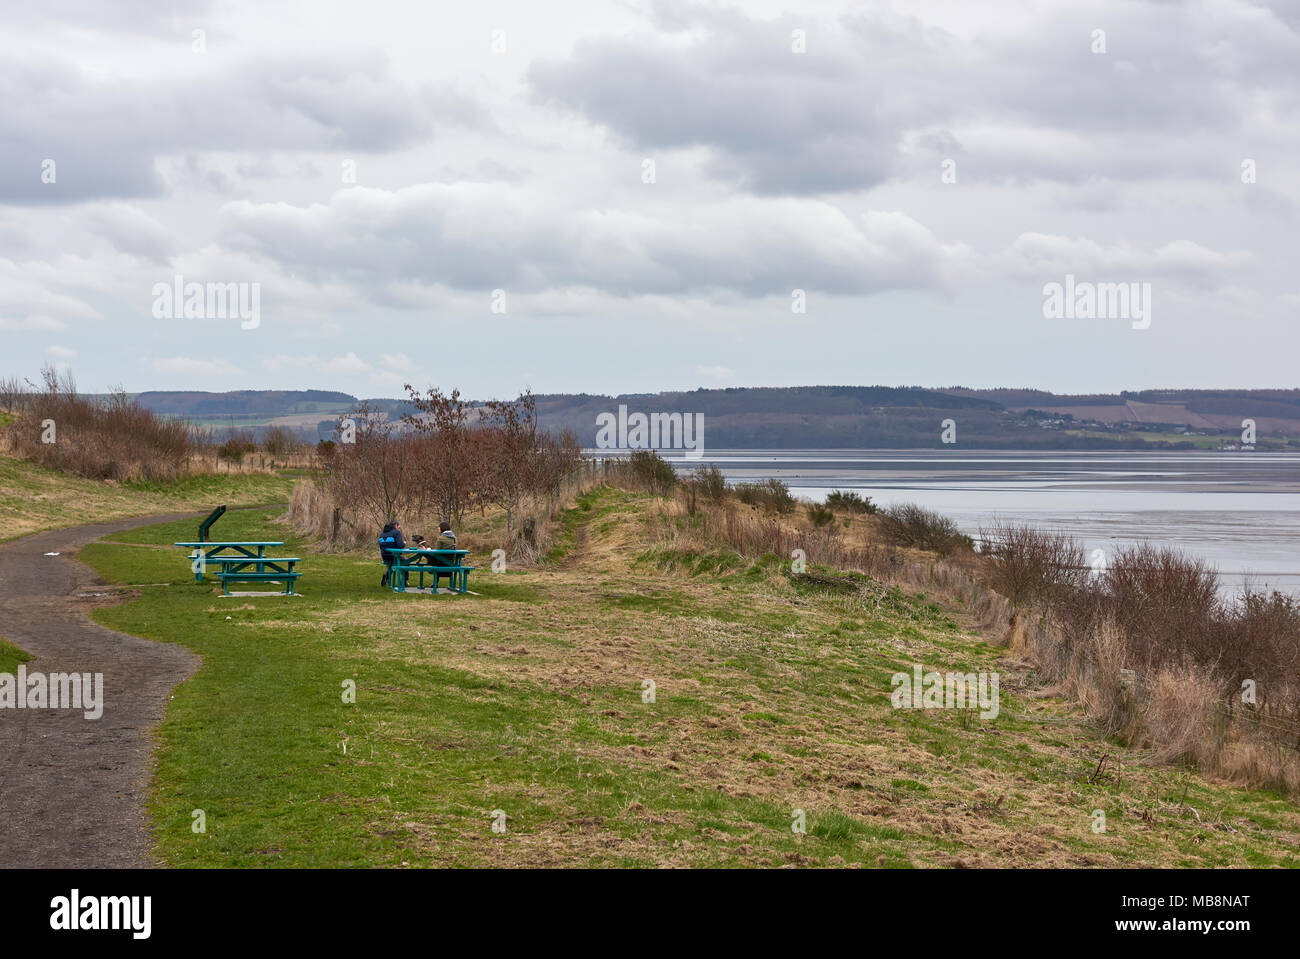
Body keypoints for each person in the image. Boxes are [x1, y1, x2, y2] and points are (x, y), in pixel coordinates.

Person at [378, 521, 407, 587]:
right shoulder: (396, 532)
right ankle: (404, 581)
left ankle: (386, 576)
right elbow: (400, 545)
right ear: (396, 525)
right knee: (406, 561)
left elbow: (381, 547)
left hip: (385, 557)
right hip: (394, 556)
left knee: (392, 564)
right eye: (398, 526)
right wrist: (404, 543)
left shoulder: (382, 534)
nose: (398, 528)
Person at [431, 521, 458, 591]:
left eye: (439, 528)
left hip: (441, 562)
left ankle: (435, 582)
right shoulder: (454, 538)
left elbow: (437, 551)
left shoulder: (441, 538)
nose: (438, 529)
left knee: (430, 558)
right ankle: (437, 583)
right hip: (451, 562)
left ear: (442, 529)